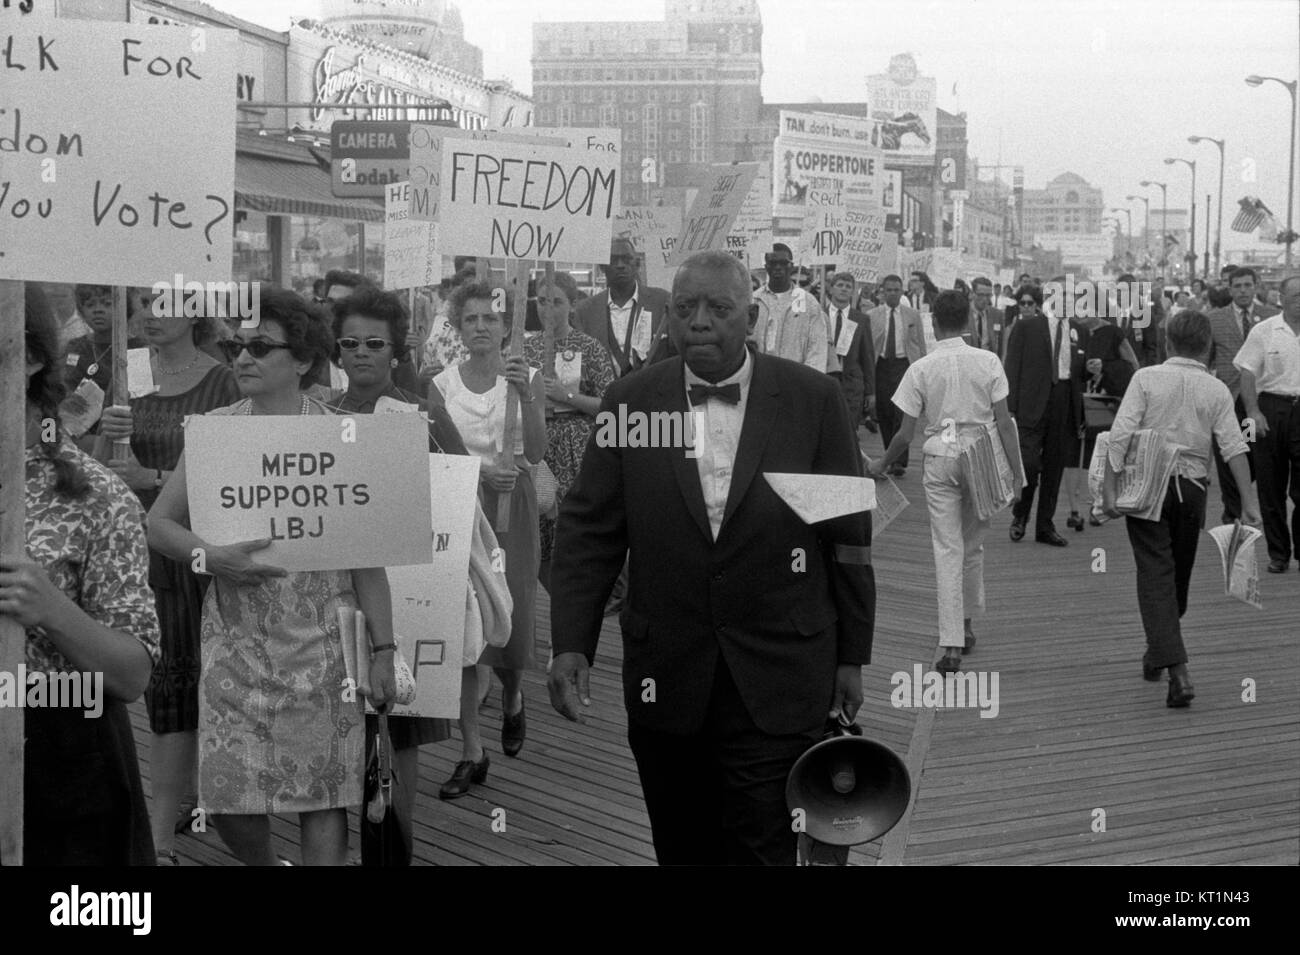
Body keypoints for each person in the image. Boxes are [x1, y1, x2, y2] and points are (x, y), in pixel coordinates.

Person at [548, 250, 875, 866]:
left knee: (766, 848)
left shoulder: (813, 400)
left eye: (718, 309)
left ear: (750, 318)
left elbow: (849, 538)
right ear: (666, 316)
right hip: (666, 678)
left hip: (783, 673)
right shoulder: (630, 403)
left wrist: (853, 654)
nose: (699, 322)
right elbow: (590, 532)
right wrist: (571, 642)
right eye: (684, 308)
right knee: (683, 846)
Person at [147, 289, 397, 865]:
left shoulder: (343, 435)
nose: (242, 357)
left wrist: (385, 650)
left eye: (260, 347)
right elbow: (159, 524)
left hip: (325, 647)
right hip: (235, 642)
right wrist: (211, 557)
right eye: (236, 345)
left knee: (324, 796)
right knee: (229, 797)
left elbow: (369, 560)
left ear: (304, 360)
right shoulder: (214, 430)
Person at [3, 285, 160, 866]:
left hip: (61, 760)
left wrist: (50, 609)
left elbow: (130, 674)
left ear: (32, 357)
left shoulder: (95, 495)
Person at [322, 284, 471, 856]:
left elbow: (458, 496)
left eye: (374, 343)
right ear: (337, 350)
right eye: (350, 342)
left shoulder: (422, 415)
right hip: (331, 609)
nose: (361, 353)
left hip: (404, 603)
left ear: (395, 350)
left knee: (393, 753)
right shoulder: (316, 416)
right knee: (337, 751)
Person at [94, 297, 239, 865]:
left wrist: (153, 476)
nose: (150, 315)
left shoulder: (225, 382)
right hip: (144, 553)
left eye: (165, 302)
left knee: (217, 681)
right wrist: (106, 438)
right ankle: (157, 836)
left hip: (205, 550)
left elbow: (236, 476)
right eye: (144, 304)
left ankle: (211, 800)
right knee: (169, 691)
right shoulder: (127, 373)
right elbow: (98, 466)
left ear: (195, 310)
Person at [1102, 310, 1261, 708]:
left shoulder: (1146, 379)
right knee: (1175, 580)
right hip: (1191, 491)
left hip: (1146, 487)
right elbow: (1234, 449)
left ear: (1168, 343)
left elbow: (1118, 438)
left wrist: (1107, 493)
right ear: (1208, 347)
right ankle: (1168, 661)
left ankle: (1169, 660)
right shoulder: (1216, 389)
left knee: (1157, 574)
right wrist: (1248, 502)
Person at [865, 290, 1021, 673]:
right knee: (973, 546)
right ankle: (966, 626)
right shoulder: (988, 361)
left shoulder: (921, 368)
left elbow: (904, 434)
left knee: (947, 549)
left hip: (940, 455)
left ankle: (950, 643)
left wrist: (882, 465)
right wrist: (1018, 476)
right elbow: (1003, 422)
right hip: (981, 455)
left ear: (933, 322)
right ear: (969, 319)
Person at [433, 282, 547, 797]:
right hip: (462, 503)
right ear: (458, 328)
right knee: (467, 619)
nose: (481, 326)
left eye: (491, 318)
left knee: (515, 611)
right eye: (471, 319)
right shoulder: (439, 384)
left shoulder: (527, 378)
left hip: (514, 505)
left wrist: (526, 395)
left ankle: (513, 695)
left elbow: (539, 451)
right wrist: (480, 472)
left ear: (506, 327)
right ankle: (470, 749)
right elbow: (435, 451)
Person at [524, 270, 616, 587]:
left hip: (577, 448)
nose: (547, 309)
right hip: (537, 446)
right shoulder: (525, 349)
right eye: (542, 301)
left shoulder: (589, 348)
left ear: (573, 305)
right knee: (538, 535)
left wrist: (569, 396)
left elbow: (610, 405)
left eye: (557, 302)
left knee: (572, 534)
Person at [1005, 282, 1090, 546]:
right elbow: (1012, 366)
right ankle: (1020, 515)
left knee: (1054, 466)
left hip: (1063, 401)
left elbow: (1079, 372)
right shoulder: (1028, 326)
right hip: (1031, 402)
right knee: (1029, 463)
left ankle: (1045, 526)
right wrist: (1010, 407)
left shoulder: (1079, 331)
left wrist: (1091, 370)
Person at [1235, 275, 1300, 574]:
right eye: (1295, 296)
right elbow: (1247, 373)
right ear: (1281, 299)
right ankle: (1278, 553)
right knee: (1270, 486)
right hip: (1269, 411)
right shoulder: (1264, 331)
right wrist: (1252, 411)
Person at [1208, 267, 1280, 525]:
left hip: (1257, 402)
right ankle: (1232, 514)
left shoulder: (1272, 318)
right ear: (1229, 289)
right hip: (1227, 401)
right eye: (1237, 286)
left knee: (1249, 451)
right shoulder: (1214, 319)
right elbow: (1206, 361)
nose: (1243, 291)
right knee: (1227, 454)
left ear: (1256, 286)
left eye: (1247, 285)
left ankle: (1242, 501)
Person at [1063, 292, 1140, 531]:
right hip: (1073, 399)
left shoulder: (1113, 332)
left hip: (1103, 402)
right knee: (1072, 454)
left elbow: (1132, 366)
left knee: (1101, 453)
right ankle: (1074, 509)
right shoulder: (1068, 331)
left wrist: (1104, 368)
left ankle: (1098, 504)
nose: (1080, 315)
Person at [575, 238, 673, 376]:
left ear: (637, 264)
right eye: (613, 260)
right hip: (603, 394)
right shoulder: (585, 311)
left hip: (651, 391)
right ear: (602, 267)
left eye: (627, 259)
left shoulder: (663, 302)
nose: (620, 265)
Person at [867, 274, 927, 475]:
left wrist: (923, 370)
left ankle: (900, 461)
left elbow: (919, 343)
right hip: (881, 365)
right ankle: (889, 454)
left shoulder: (912, 315)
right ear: (883, 292)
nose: (892, 293)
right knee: (884, 411)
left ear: (902, 292)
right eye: (889, 290)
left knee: (902, 412)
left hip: (904, 366)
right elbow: (868, 346)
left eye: (896, 290)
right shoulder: (872, 315)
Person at [751, 243, 830, 373]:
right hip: (759, 378)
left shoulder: (808, 302)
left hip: (795, 380)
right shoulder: (753, 300)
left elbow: (817, 348)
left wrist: (808, 380)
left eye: (783, 263)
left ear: (791, 266)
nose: (778, 267)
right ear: (766, 267)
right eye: (773, 263)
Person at [824, 270, 875, 429]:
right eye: (840, 285)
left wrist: (870, 391)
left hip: (851, 385)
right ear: (831, 289)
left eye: (848, 286)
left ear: (853, 291)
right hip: (824, 380)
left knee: (849, 432)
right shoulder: (818, 315)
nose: (844, 289)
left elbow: (867, 356)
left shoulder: (861, 319)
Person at [967, 276, 998, 352]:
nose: (984, 299)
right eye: (980, 295)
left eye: (988, 295)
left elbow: (1002, 342)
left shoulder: (997, 314)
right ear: (972, 293)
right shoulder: (963, 313)